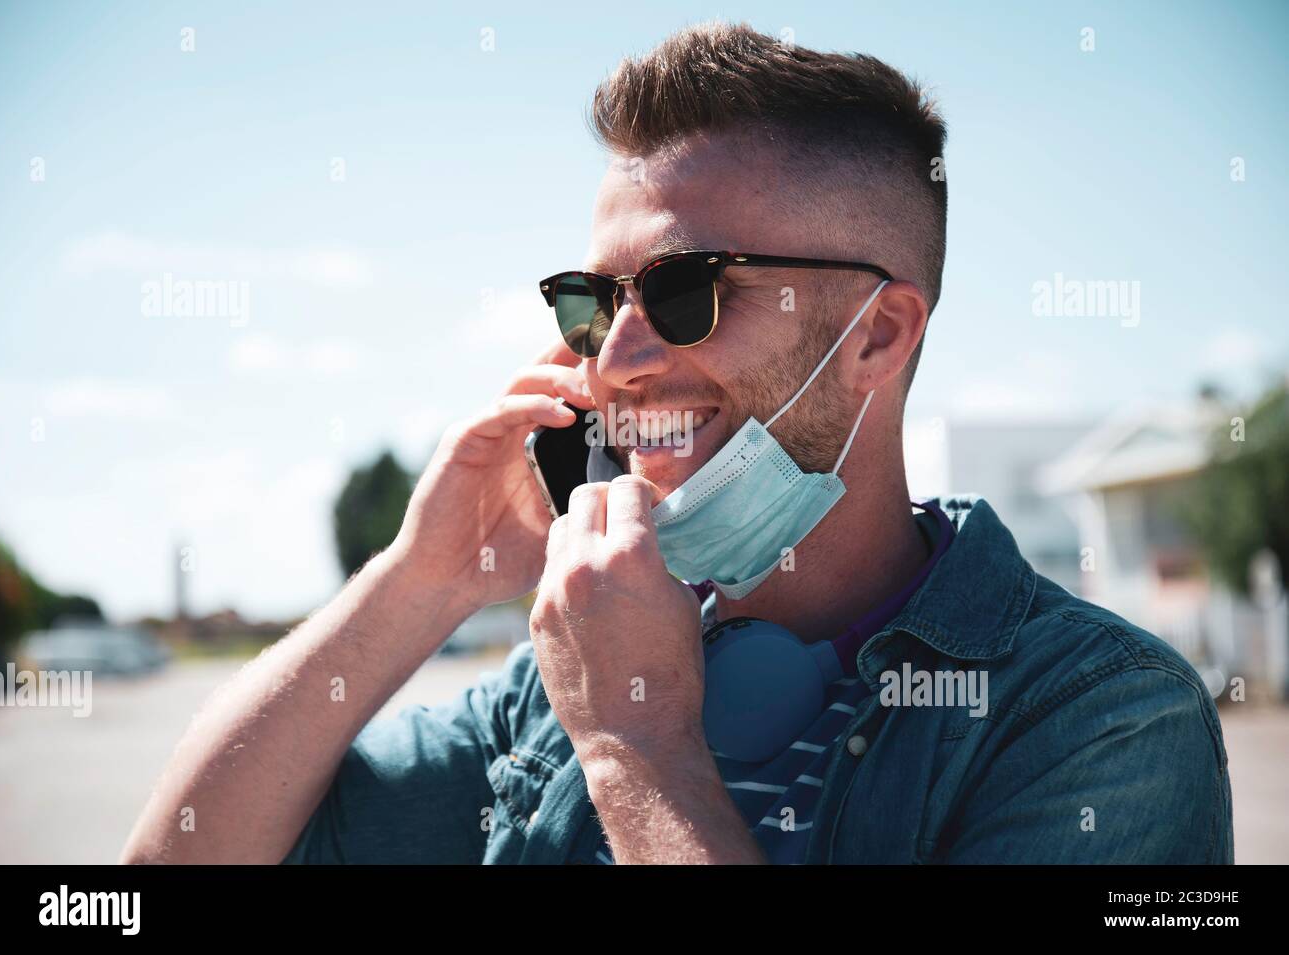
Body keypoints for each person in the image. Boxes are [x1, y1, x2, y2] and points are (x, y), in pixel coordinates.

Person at [122, 22, 1233, 865]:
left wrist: (637, 752)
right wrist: (423, 579)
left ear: (877, 334)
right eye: (589, 303)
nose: (613, 359)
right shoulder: (557, 679)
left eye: (688, 289)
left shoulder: (1100, 715)